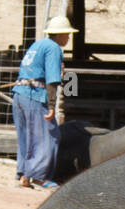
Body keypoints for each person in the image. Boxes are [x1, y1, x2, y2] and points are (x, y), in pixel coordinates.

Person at [14, 16, 78, 188]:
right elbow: (52, 79)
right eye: (67, 35)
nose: (68, 38)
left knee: (26, 135)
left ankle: (24, 172)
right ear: (60, 35)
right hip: (35, 94)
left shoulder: (38, 45)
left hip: (19, 93)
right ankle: (39, 175)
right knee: (49, 135)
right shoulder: (54, 48)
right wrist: (51, 105)